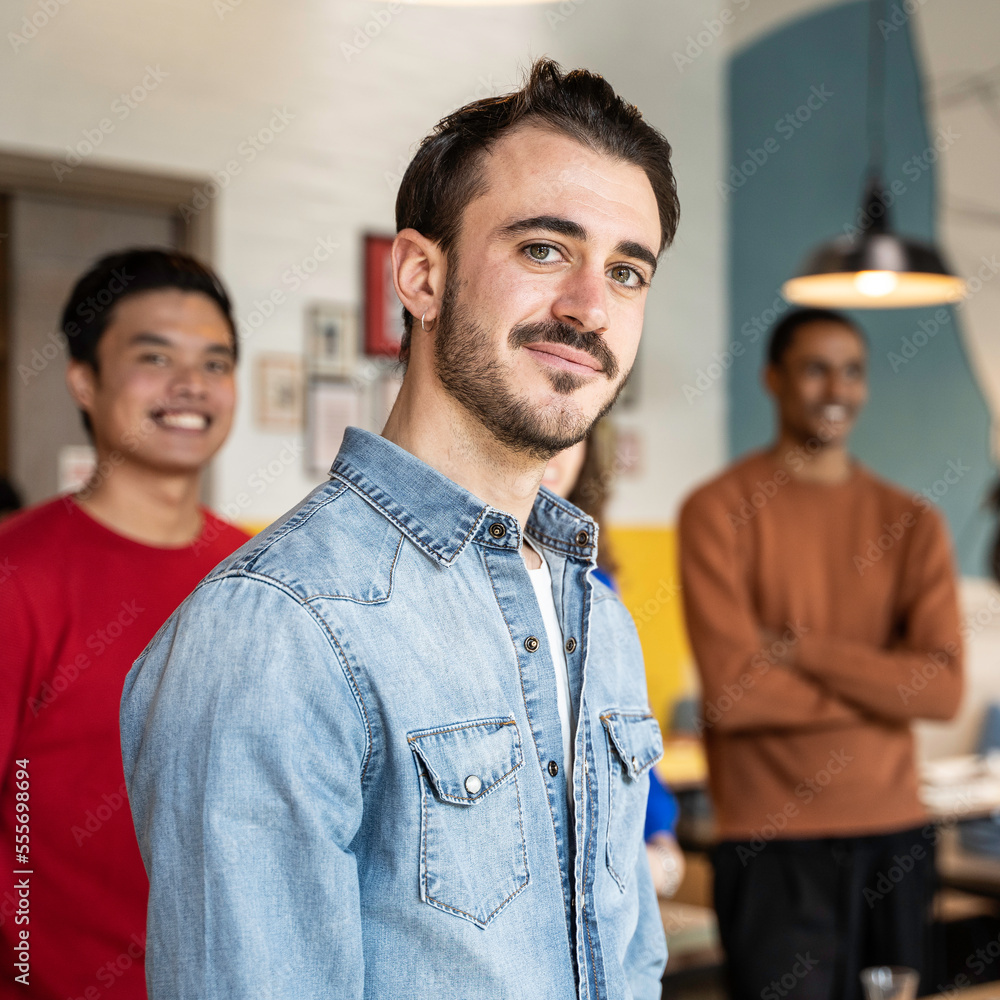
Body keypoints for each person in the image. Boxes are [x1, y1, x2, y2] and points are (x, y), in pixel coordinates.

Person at [121, 59, 679, 999]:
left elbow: (630, 965)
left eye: (627, 271)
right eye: (545, 249)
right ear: (420, 274)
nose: (590, 307)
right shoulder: (275, 629)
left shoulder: (597, 613)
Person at [679, 307, 963, 1000]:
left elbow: (940, 691)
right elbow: (734, 694)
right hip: (770, 845)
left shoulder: (912, 523)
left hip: (895, 835)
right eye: (815, 368)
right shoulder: (717, 511)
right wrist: (880, 691)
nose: (836, 387)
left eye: (853, 370)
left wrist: (801, 650)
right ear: (773, 378)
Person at [0, 249, 249, 999]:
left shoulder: (262, 578)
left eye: (215, 362)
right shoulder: (18, 575)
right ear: (84, 379)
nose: (191, 387)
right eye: (154, 357)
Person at [542, 422, 685, 898]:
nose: (552, 454)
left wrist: (658, 838)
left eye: (570, 435)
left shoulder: (598, 583)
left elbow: (622, 728)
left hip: (615, 860)